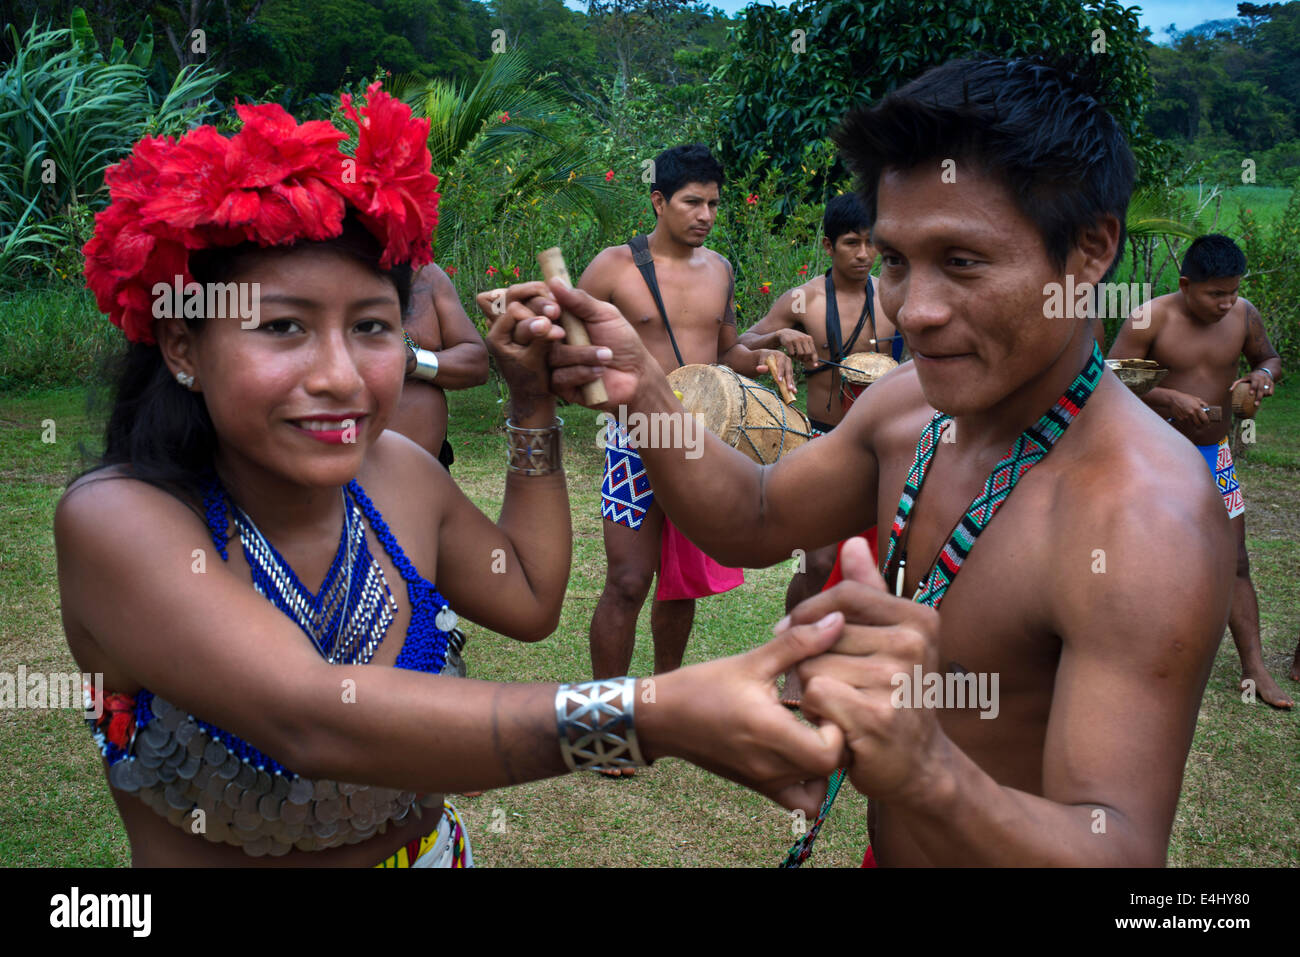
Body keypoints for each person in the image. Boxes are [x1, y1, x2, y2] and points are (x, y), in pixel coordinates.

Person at [61, 85, 846, 867]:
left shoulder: (394, 477)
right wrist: (654, 715)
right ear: (183, 347)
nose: (341, 375)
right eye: (283, 326)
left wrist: (531, 398)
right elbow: (316, 723)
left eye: (371, 326)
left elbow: (533, 595)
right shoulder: (121, 520)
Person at [542, 56, 1235, 865]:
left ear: (1089, 251)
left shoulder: (1145, 515)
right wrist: (642, 389)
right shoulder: (910, 405)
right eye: (899, 261)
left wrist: (931, 773)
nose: (918, 309)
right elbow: (756, 515)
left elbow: (1115, 849)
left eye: (964, 262)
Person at [580, 144, 796, 727]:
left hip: (702, 444)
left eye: (714, 204)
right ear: (658, 201)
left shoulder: (721, 269)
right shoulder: (612, 268)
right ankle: (604, 722)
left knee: (680, 585)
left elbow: (727, 350)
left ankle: (666, 703)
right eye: (692, 202)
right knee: (628, 581)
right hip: (633, 442)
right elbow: (572, 354)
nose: (705, 214)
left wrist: (766, 358)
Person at [1109, 234, 1292, 709]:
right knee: (1141, 557)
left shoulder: (1243, 314)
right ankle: (1128, 661)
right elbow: (1108, 375)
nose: (1226, 302)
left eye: (1232, 292)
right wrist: (1169, 397)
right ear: (1187, 285)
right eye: (1216, 294)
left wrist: (1263, 377)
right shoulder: (1150, 317)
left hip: (1215, 456)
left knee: (1236, 558)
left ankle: (1254, 669)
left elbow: (1269, 357)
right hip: (1149, 456)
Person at [739, 192, 900, 705]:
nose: (863, 253)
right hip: (824, 438)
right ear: (829, 245)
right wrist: (781, 337)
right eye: (852, 243)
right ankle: (792, 664)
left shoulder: (895, 294)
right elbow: (740, 347)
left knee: (888, 563)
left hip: (889, 445)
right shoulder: (803, 298)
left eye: (871, 242)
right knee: (817, 561)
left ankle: (862, 669)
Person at [387, 262, 489, 471]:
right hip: (348, 471)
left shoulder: (428, 275)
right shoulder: (333, 272)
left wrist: (414, 361)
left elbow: (477, 364)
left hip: (430, 475)